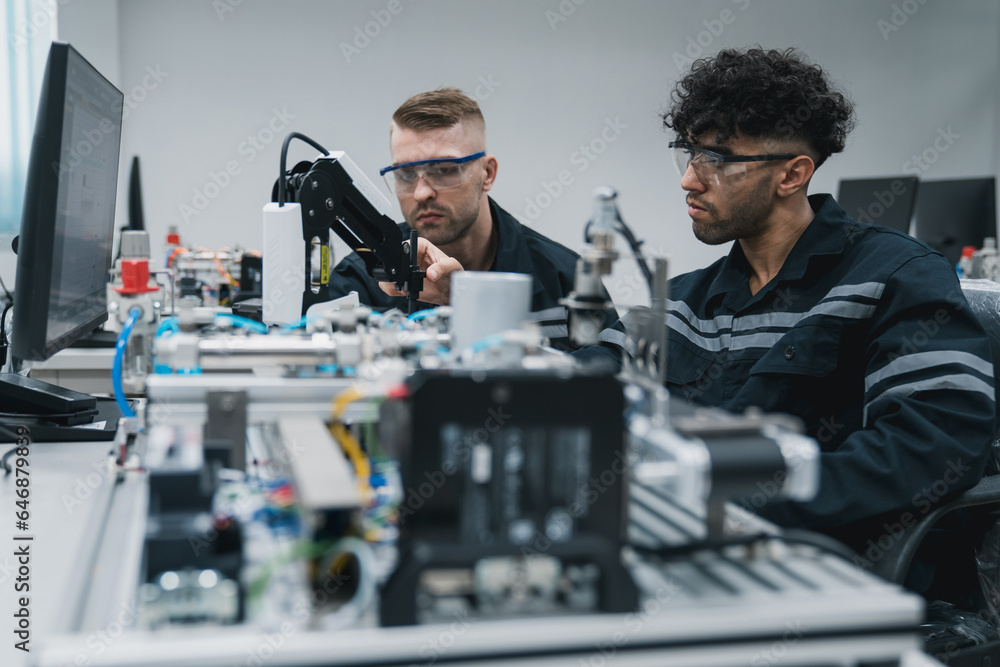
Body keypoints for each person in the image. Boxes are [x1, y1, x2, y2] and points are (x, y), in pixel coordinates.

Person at [585, 47, 996, 566]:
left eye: (717, 159)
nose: (689, 179)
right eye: (689, 154)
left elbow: (933, 447)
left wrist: (739, 503)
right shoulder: (688, 300)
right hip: (685, 549)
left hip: (812, 569)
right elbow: (590, 381)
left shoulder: (893, 276)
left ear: (792, 174)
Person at [328, 88, 615, 350]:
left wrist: (468, 304)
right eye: (405, 175)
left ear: (487, 174)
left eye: (444, 170)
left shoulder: (565, 279)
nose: (422, 192)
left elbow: (612, 381)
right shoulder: (360, 281)